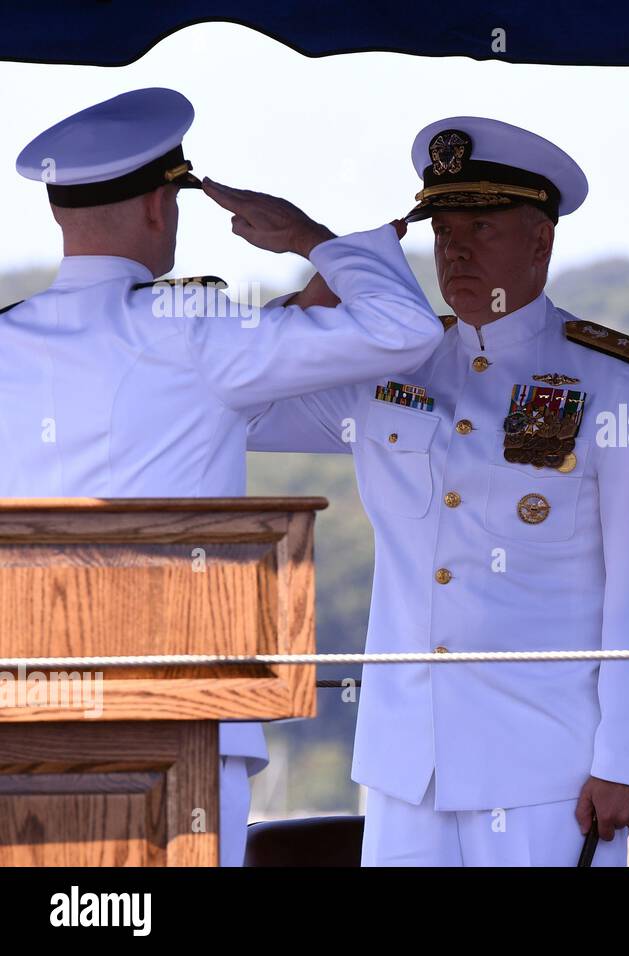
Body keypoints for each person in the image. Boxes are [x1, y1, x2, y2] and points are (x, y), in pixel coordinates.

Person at [0, 87, 443, 866]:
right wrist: (313, 238)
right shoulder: (199, 331)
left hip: (24, 703)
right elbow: (401, 329)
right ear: (158, 209)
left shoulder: (12, 339)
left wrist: (286, 321)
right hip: (181, 707)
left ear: (60, 213)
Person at [248, 116, 629, 866]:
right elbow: (243, 406)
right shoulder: (392, 369)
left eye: (481, 227)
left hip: (546, 772)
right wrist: (328, 275)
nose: (455, 248)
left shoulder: (621, 381)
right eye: (443, 230)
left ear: (541, 242)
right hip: (405, 767)